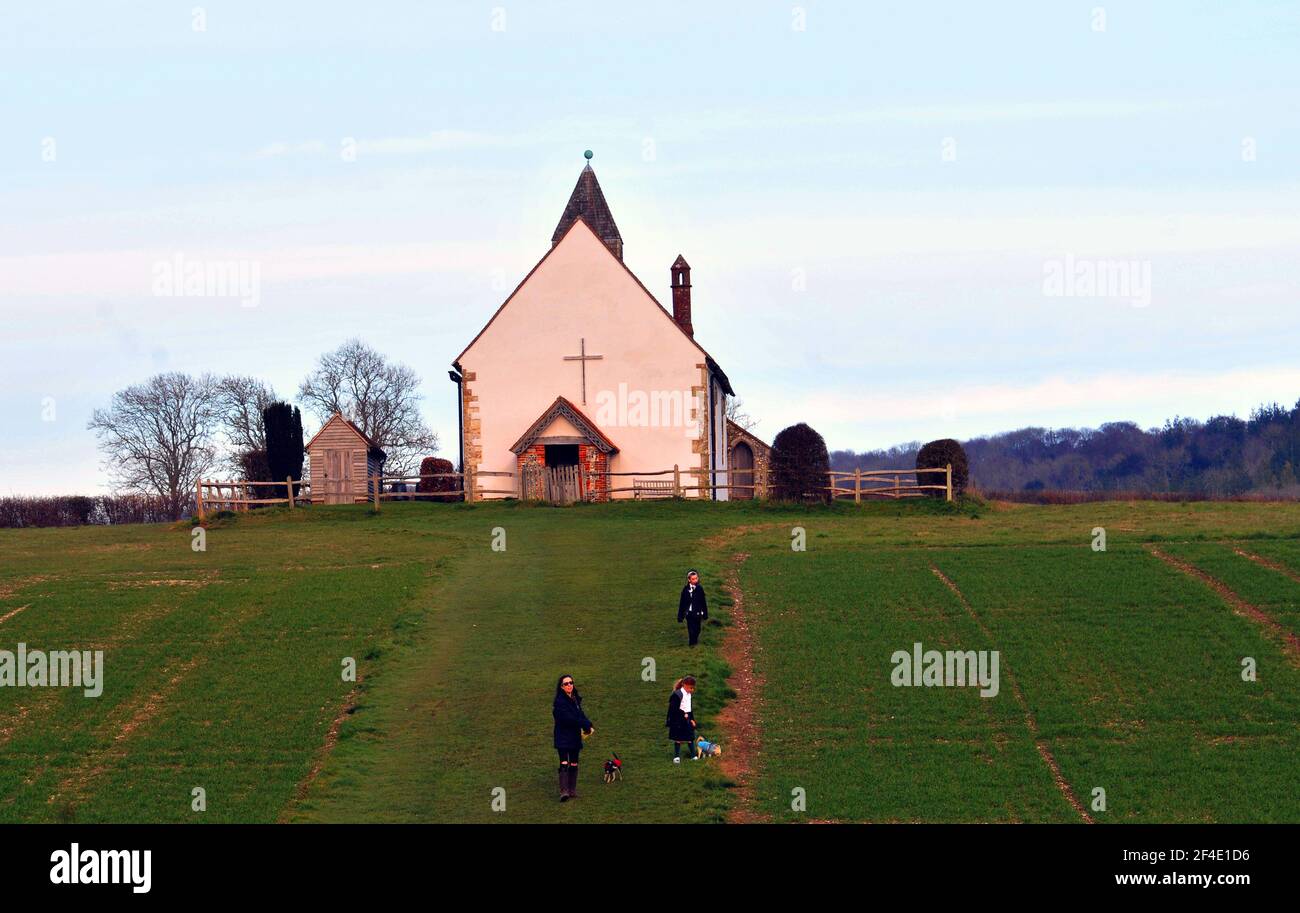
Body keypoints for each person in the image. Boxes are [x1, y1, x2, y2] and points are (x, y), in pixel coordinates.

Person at [552, 673, 593, 801]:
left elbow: (580, 714)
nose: (569, 685)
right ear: (561, 687)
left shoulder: (575, 699)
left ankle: (572, 790)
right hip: (563, 735)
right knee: (564, 762)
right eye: (566, 684)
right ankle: (564, 792)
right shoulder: (559, 702)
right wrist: (584, 725)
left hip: (574, 735)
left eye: (571, 682)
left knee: (574, 762)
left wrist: (588, 724)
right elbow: (568, 719)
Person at [666, 676, 697, 762]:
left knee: (690, 738)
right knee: (678, 738)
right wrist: (683, 714)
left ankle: (693, 756)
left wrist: (692, 719)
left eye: (693, 688)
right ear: (684, 685)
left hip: (687, 718)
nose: (692, 690)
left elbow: (689, 708)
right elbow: (673, 709)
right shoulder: (677, 695)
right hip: (678, 720)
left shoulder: (689, 695)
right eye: (690, 687)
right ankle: (676, 757)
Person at [677, 569, 708, 646]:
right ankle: (692, 643)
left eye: (696, 578)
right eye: (693, 579)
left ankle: (694, 640)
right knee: (691, 629)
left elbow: (703, 602)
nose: (695, 580)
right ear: (689, 580)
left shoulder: (699, 589)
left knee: (697, 629)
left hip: (698, 612)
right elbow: (682, 603)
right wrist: (680, 616)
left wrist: (705, 613)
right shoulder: (685, 590)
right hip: (689, 613)